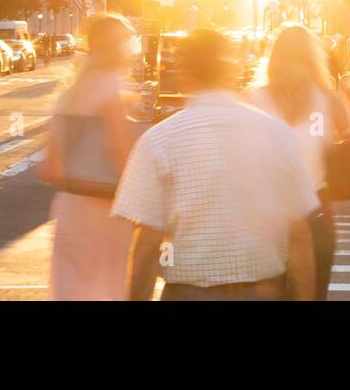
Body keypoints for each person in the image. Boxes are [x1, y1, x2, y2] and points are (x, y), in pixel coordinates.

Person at [112, 28, 318, 301]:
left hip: (188, 293)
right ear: (232, 71)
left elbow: (149, 241)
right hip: (264, 291)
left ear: (184, 74)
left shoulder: (159, 140)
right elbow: (298, 234)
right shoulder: (277, 134)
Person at [248, 23, 350, 300]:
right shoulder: (327, 100)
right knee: (313, 292)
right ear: (313, 57)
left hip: (266, 217)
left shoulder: (254, 100)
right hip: (315, 214)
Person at [41, 13, 143, 301]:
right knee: (106, 288)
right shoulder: (110, 87)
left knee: (69, 289)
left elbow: (49, 167)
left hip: (70, 207)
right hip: (104, 211)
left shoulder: (69, 92)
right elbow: (118, 152)